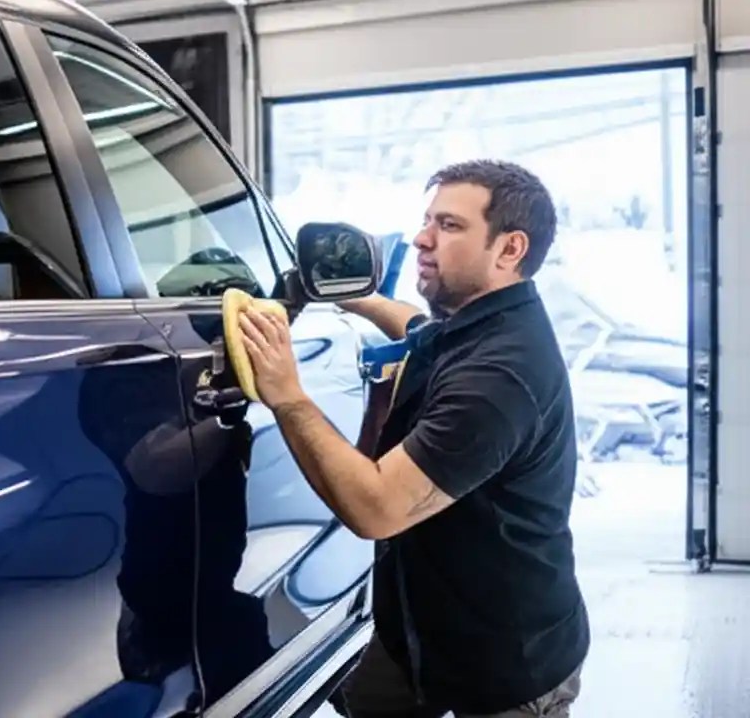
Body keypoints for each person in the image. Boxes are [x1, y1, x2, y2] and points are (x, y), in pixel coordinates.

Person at [237, 159, 589, 717]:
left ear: (509, 249)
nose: (423, 238)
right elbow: (416, 328)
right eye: (427, 221)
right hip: (419, 629)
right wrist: (351, 295)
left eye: (449, 227)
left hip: (507, 660)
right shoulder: (475, 323)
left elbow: (376, 508)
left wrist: (286, 394)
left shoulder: (499, 377)